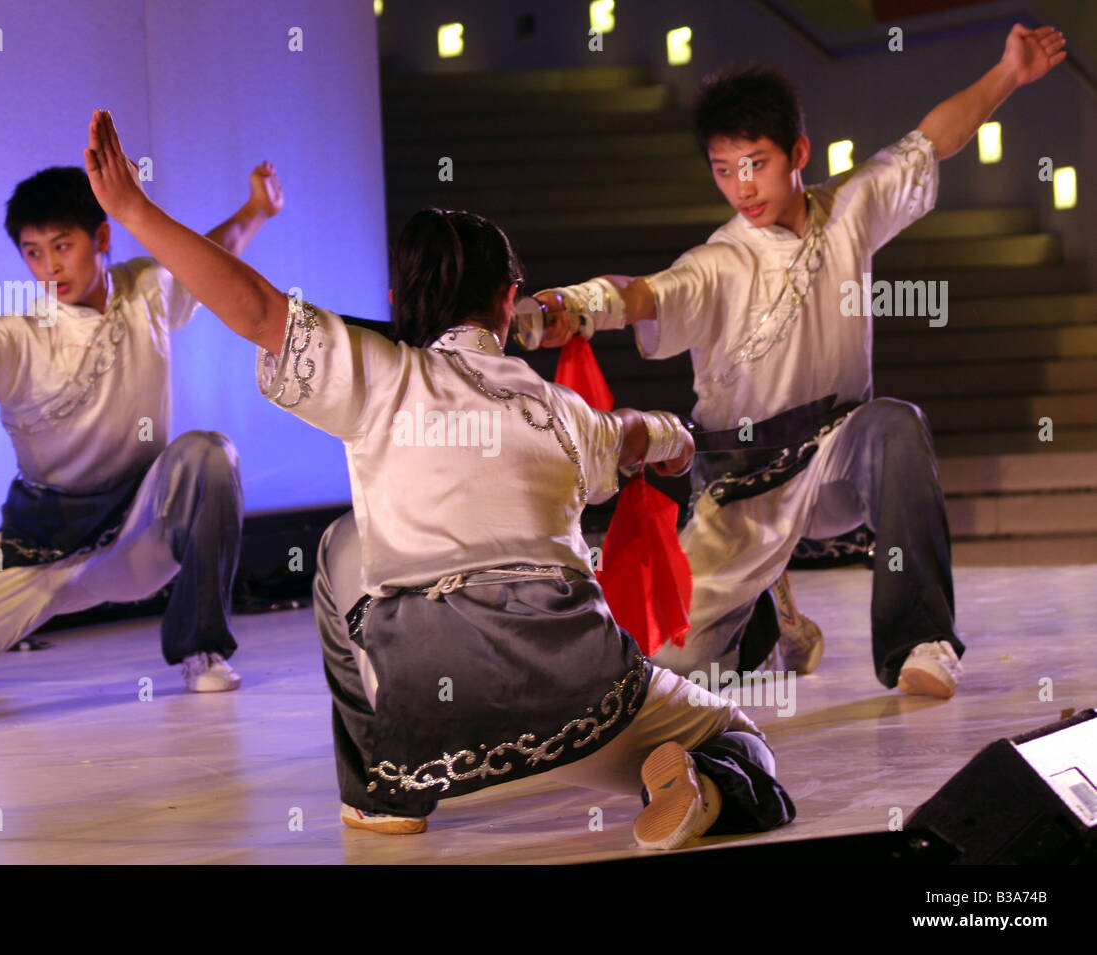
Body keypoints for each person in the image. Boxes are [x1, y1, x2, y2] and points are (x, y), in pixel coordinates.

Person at [82, 108, 796, 847]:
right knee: (739, 735)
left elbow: (257, 308)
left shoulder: (379, 374)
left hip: (435, 723)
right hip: (585, 702)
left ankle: (383, 791)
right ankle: (681, 775)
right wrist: (676, 439)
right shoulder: (559, 408)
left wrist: (132, 208)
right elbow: (634, 435)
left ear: (400, 305)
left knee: (340, 549)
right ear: (505, 298)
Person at [535, 24, 1068, 699]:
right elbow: (644, 292)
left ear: (798, 154)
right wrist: (579, 304)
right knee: (673, 678)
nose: (742, 186)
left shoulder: (849, 209)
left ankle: (919, 638)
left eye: (756, 162)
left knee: (898, 422)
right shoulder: (718, 261)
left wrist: (1009, 73)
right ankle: (772, 617)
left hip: (839, 457)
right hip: (741, 484)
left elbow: (933, 139)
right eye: (724, 169)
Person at [0, 161, 285, 696]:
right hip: (38, 544)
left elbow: (213, 256)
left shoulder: (148, 290)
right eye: (33, 252)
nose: (50, 266)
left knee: (210, 453)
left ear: (102, 237)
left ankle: (201, 648)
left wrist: (258, 208)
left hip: (139, 533)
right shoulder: (22, 339)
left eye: (62, 245)